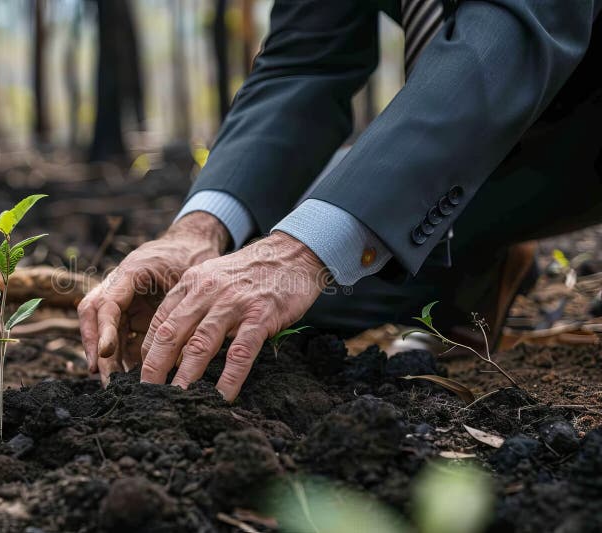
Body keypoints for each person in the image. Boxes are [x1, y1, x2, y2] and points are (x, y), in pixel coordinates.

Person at [79, 0, 602, 401]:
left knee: (314, 249)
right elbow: (304, 62)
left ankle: (476, 236)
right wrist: (197, 232)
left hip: (580, 134)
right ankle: (483, 252)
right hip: (466, 129)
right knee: (285, 287)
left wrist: (299, 252)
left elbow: (507, 37)